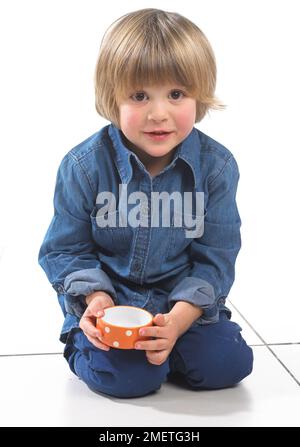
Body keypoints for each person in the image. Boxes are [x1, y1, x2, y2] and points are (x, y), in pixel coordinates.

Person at [38, 8, 253, 398]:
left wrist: (179, 320)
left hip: (180, 304)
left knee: (229, 363)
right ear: (112, 97)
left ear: (198, 96)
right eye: (139, 96)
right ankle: (85, 347)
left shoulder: (217, 168)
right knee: (130, 380)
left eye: (176, 94)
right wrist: (96, 299)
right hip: (112, 303)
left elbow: (217, 256)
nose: (158, 114)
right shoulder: (83, 167)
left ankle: (169, 349)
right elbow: (65, 249)